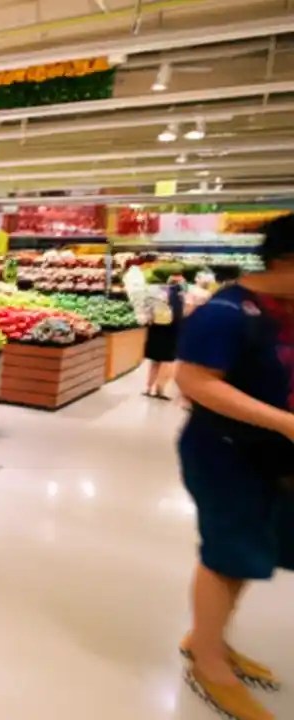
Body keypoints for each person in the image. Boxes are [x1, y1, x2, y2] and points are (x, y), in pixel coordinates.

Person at [175, 215, 294, 720]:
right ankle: (207, 663)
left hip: (267, 455)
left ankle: (210, 638)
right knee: (226, 554)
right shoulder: (226, 311)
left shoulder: (280, 310)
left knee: (246, 553)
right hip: (225, 452)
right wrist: (285, 422)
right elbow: (195, 381)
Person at [143, 278, 184, 399]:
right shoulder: (179, 295)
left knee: (154, 361)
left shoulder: (155, 292)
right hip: (170, 332)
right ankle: (160, 389)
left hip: (155, 330)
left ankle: (148, 387)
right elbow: (181, 314)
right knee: (166, 361)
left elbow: (147, 311)